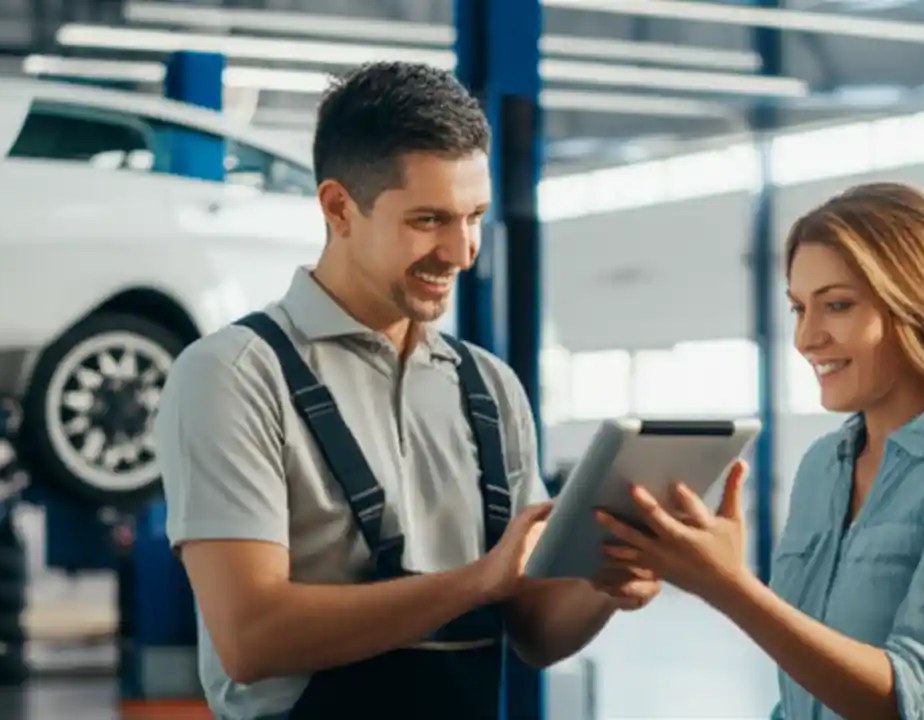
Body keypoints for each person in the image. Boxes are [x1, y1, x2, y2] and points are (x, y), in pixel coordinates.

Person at [153, 61, 660, 720]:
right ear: (339, 208)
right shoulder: (235, 376)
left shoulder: (490, 388)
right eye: (428, 220)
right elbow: (252, 637)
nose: (462, 251)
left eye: (474, 216)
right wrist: (476, 582)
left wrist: (609, 582)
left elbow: (535, 631)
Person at [595, 182, 924, 719]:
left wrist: (728, 585)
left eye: (837, 305)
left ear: (916, 305)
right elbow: (803, 697)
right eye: (799, 308)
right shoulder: (823, 466)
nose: (806, 338)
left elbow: (911, 703)